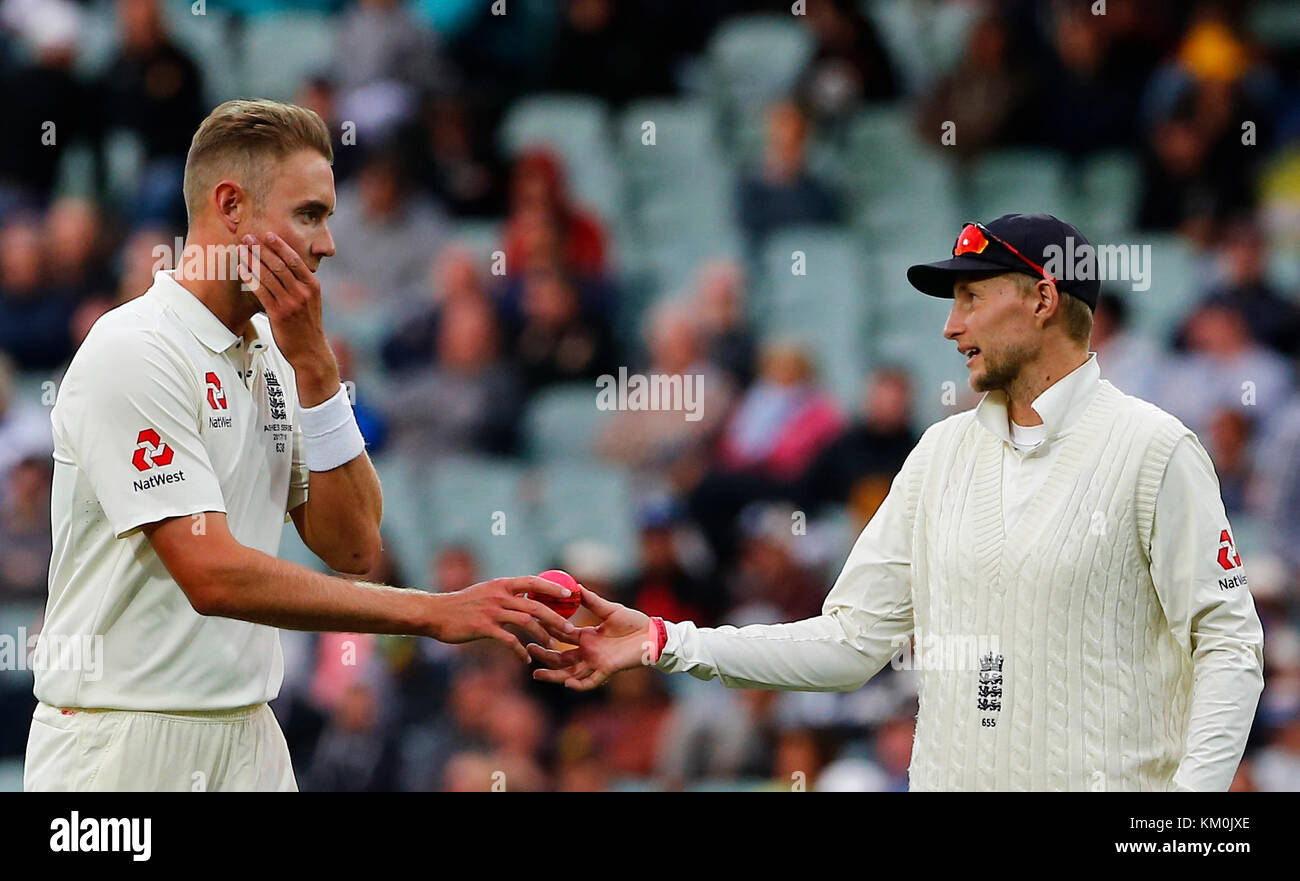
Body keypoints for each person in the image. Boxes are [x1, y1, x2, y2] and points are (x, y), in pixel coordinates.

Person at [532, 214, 1266, 792]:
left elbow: (1230, 649)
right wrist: (665, 641)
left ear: (1044, 298)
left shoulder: (1155, 451)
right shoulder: (939, 456)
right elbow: (849, 642)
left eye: (973, 297)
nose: (951, 326)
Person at [24, 99, 576, 793]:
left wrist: (317, 368)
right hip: (121, 740)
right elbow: (211, 574)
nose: (328, 243)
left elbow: (353, 546)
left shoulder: (281, 356)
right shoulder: (135, 348)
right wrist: (432, 610)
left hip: (249, 731)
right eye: (310, 214)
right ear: (232, 206)